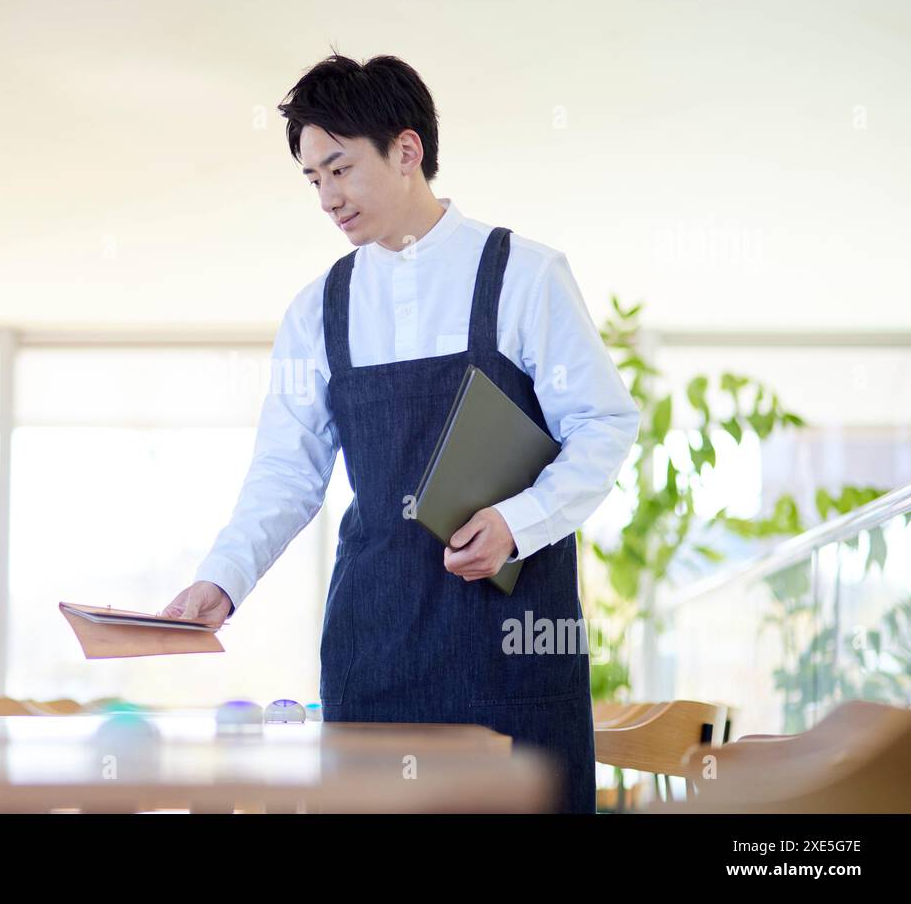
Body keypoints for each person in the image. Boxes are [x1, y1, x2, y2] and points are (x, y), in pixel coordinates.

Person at [161, 52, 639, 813]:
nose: (327, 197)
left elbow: (605, 425)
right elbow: (287, 471)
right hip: (375, 641)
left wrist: (520, 521)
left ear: (407, 151)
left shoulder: (525, 274)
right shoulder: (317, 309)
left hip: (515, 642)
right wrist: (222, 578)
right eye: (313, 179)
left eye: (340, 169)